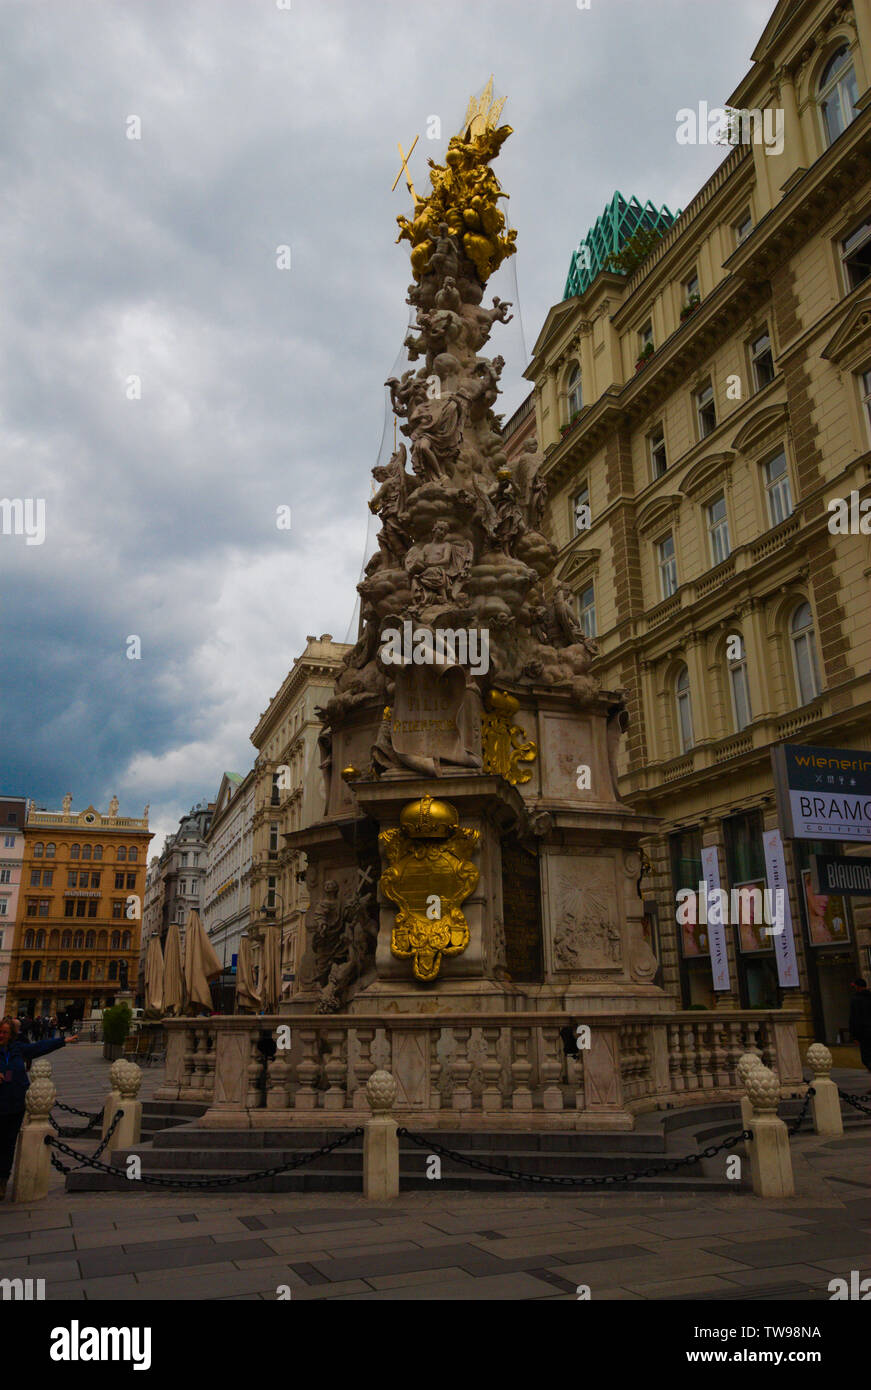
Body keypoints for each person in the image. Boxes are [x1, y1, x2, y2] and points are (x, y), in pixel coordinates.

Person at [0, 1016, 79, 1198]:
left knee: (9, 1145)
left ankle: (2, 1180)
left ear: (11, 1035)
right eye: (0, 1031)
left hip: (16, 1106)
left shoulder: (17, 1050)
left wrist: (62, 1041)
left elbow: (39, 1047)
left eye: (5, 1032)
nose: (2, 1035)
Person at [848, 978, 871, 1072]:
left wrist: (854, 1036)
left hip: (864, 1034)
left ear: (858, 987)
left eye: (855, 986)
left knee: (867, 1059)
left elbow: (854, 1019)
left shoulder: (856, 999)